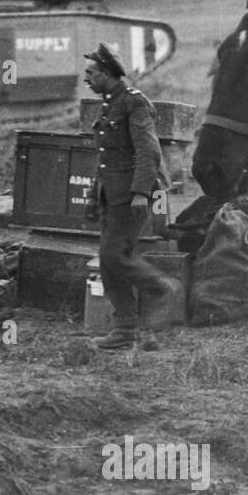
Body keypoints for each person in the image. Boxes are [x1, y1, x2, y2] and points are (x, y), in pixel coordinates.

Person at [83, 43, 181, 350]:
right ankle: (125, 329)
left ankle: (162, 287)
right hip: (112, 195)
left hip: (131, 196)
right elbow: (105, 157)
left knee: (115, 255)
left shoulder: (134, 103)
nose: (87, 79)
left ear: (108, 74)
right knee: (107, 260)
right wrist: (92, 196)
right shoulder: (109, 103)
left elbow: (147, 152)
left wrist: (141, 193)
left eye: (92, 73)